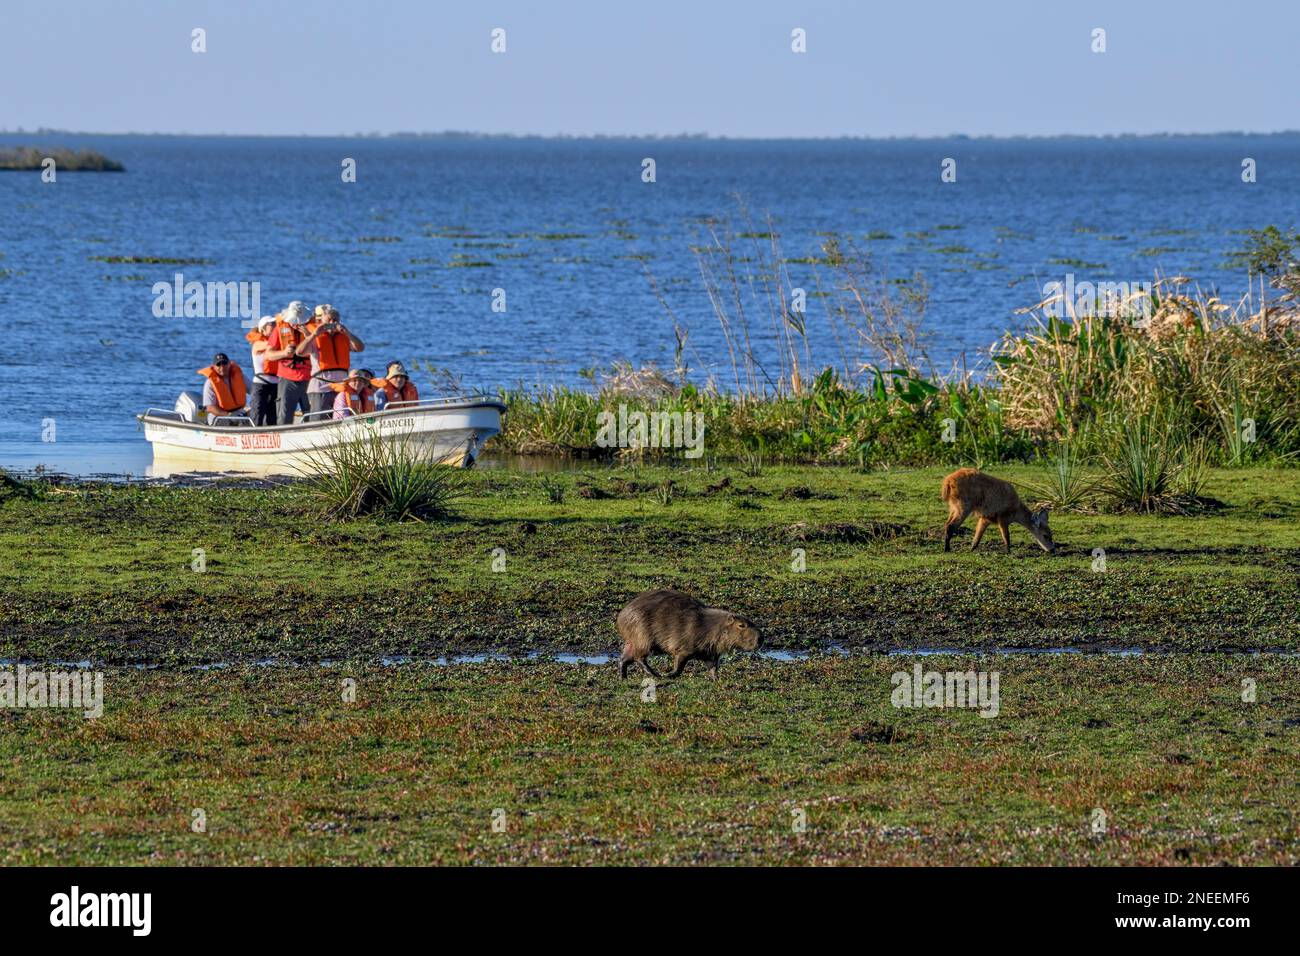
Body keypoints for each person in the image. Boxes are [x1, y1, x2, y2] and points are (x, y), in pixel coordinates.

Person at [304, 304, 365, 417]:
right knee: (319, 419)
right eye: (329, 320)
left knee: (341, 416)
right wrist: (313, 335)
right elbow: (300, 351)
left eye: (335, 320)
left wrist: (347, 333)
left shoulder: (344, 336)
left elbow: (360, 347)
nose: (332, 322)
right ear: (321, 320)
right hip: (321, 386)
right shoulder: (316, 336)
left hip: (341, 386)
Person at [263, 301, 314, 425]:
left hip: (310, 378)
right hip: (287, 378)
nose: (297, 323)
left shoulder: (313, 329)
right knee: (284, 416)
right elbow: (268, 355)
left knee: (312, 415)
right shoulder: (279, 329)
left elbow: (322, 351)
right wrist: (284, 353)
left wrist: (308, 336)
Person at [245, 315, 279, 426]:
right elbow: (269, 345)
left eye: (275, 324)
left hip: (275, 385)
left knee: (272, 417)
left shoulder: (277, 343)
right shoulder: (257, 344)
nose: (274, 327)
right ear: (262, 329)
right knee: (257, 415)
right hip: (261, 385)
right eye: (271, 325)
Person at [197, 352, 248, 425]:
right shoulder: (210, 383)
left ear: (229, 364)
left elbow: (254, 391)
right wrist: (228, 415)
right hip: (219, 417)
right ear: (214, 367)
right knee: (227, 423)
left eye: (224, 363)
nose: (222, 367)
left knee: (254, 417)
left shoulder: (240, 376)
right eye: (218, 364)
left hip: (238, 414)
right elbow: (210, 407)